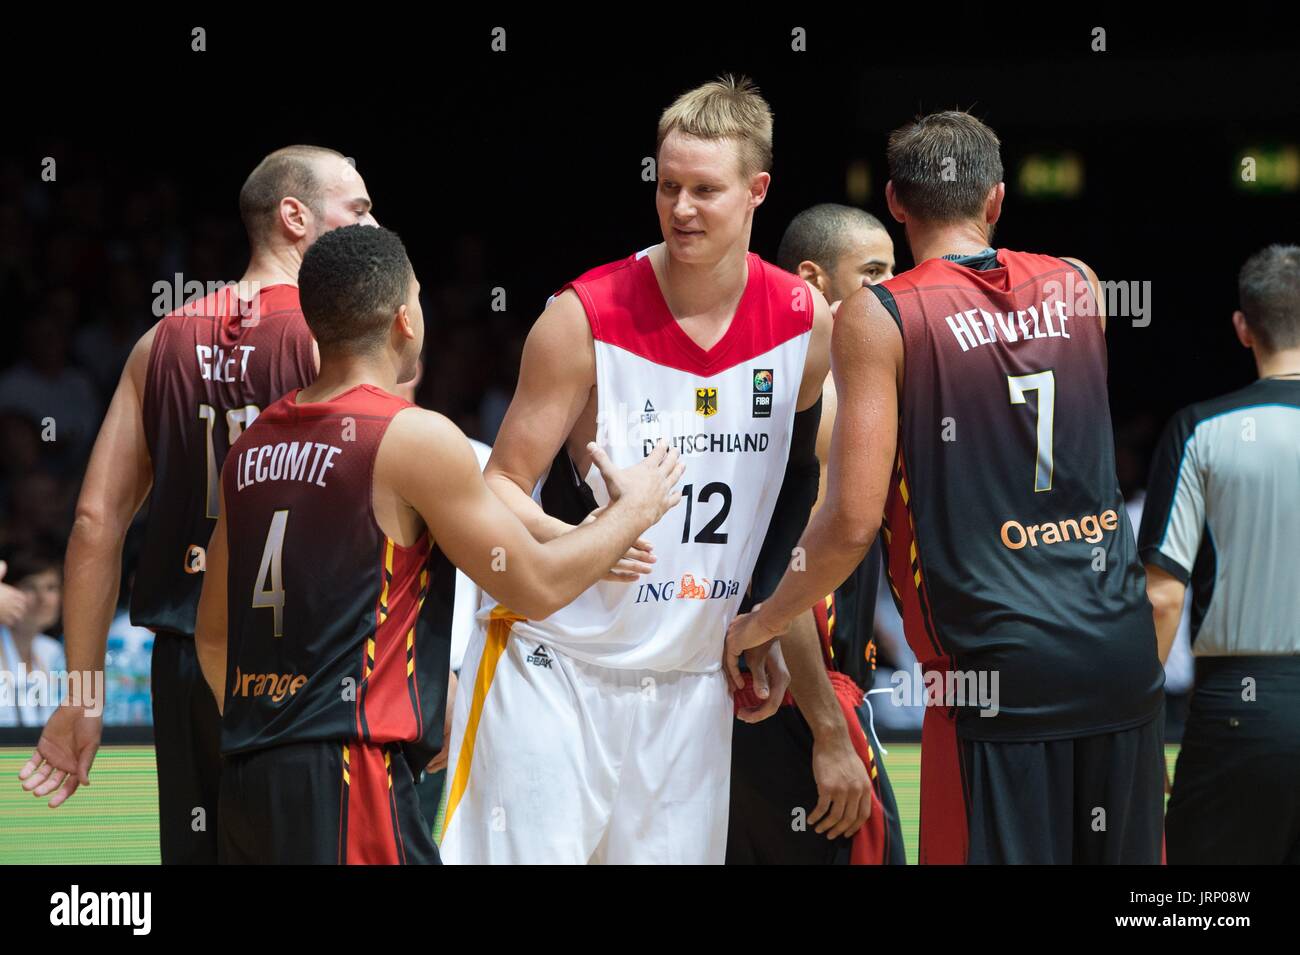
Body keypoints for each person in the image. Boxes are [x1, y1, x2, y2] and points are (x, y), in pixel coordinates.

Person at [438, 75, 874, 866]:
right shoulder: (582, 317)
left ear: (757, 191)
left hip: (686, 684)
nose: (681, 208)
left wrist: (767, 618)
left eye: (705, 189)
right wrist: (598, 530)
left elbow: (792, 505)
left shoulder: (807, 327)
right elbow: (497, 486)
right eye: (668, 186)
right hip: (556, 665)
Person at [727, 110, 1166, 865]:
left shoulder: (884, 313)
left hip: (994, 671)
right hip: (1121, 655)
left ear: (895, 204)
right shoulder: (1082, 284)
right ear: (996, 199)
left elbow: (852, 521)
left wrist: (761, 621)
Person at [195, 224, 684, 864]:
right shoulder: (412, 437)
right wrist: (632, 512)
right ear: (405, 318)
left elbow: (211, 637)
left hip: (247, 772)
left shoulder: (253, 443)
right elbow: (533, 585)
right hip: (351, 769)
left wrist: (273, 728)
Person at [20, 146, 371, 862]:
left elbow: (95, 523)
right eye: (358, 211)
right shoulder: (335, 343)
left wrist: (83, 695)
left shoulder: (159, 342)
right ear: (295, 216)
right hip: (299, 665)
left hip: (182, 668)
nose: (373, 228)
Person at [727, 204, 905, 864]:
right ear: (815, 280)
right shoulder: (820, 400)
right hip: (801, 694)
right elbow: (781, 569)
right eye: (875, 272)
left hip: (767, 688)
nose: (892, 288)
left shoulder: (771, 380)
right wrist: (830, 727)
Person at [1139, 244, 1300, 864]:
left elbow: (1161, 597)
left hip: (1241, 713)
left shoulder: (1201, 429)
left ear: (1242, 327)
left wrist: (1144, 736)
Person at [0, 550, 66, 728]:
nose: (42, 598)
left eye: (51, 588)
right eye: (30, 587)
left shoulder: (52, 651)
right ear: (8, 590)